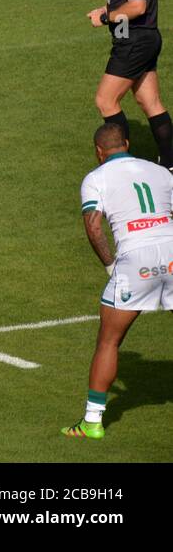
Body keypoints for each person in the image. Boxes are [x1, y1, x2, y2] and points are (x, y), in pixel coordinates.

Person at [63, 123, 173, 439]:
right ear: (126, 143)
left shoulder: (95, 179)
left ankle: (92, 422)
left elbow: (94, 227)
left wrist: (111, 266)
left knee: (109, 341)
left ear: (99, 151)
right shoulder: (160, 171)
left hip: (134, 263)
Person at [88, 0, 173, 169]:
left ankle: (121, 168)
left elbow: (137, 6)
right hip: (141, 38)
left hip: (134, 41)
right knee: (149, 101)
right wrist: (109, 9)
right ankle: (171, 162)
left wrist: (105, 17)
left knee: (105, 100)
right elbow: (128, 1)